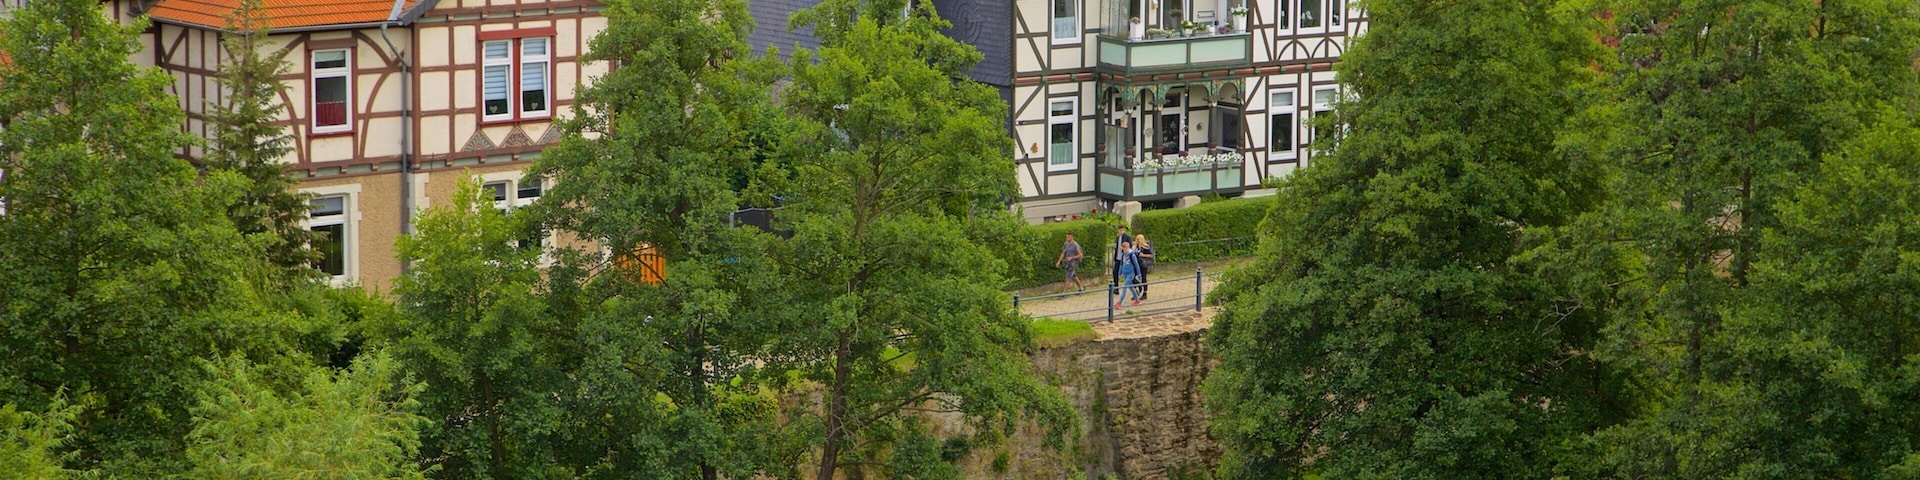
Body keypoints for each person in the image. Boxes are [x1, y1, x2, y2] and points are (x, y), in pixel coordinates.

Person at [1115, 241, 1143, 308]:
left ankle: (1119, 303)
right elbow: (1121, 264)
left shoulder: (1132, 255)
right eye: (1124, 248)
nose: (1125, 250)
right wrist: (1120, 273)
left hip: (1131, 273)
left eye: (1126, 248)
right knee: (1131, 288)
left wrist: (1139, 274)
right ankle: (1137, 300)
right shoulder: (1123, 255)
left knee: (1124, 287)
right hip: (1125, 273)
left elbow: (1136, 265)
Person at [1110, 225, 1132, 294]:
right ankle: (1116, 288)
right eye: (1120, 230)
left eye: (1122, 230)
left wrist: (1124, 249)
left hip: (1124, 258)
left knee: (1126, 273)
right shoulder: (1117, 238)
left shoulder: (1127, 237)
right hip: (1118, 258)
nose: (1121, 231)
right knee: (1115, 272)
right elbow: (1117, 248)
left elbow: (1130, 246)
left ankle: (1136, 285)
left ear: (1124, 230)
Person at [1134, 233, 1155, 300]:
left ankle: (1144, 293)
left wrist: (1143, 255)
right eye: (1136, 239)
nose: (1137, 241)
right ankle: (1138, 288)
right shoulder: (1135, 247)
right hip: (1136, 264)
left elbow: (1151, 255)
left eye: (1138, 239)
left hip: (1143, 264)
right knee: (1132, 277)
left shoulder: (1145, 247)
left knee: (1144, 278)